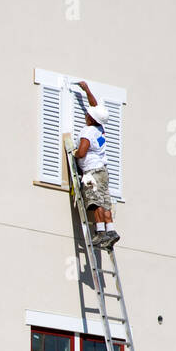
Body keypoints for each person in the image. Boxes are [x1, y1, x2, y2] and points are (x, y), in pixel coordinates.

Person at [72, 81, 119, 249]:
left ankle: (100, 232)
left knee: (95, 201)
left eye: (88, 114)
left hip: (91, 172)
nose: (86, 114)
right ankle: (110, 230)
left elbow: (82, 152)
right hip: (103, 171)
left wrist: (74, 153)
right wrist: (86, 90)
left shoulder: (88, 131)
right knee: (105, 201)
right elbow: (95, 106)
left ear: (91, 118)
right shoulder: (100, 128)